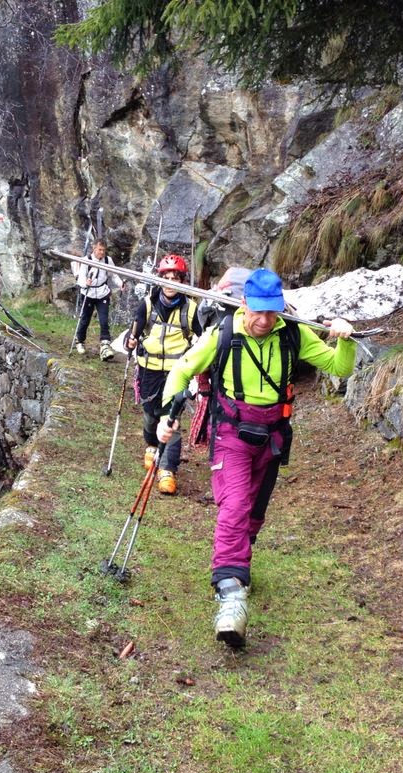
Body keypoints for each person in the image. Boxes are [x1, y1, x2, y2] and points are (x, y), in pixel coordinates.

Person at [157, 268, 356, 648]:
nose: (264, 320)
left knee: (254, 513)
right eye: (258, 311)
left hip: (273, 436)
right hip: (231, 432)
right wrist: (168, 415)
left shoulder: (294, 333)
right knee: (234, 504)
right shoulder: (224, 333)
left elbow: (339, 367)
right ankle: (230, 593)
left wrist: (344, 339)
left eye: (272, 312)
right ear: (244, 304)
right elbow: (182, 369)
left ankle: (238, 553)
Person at [125, 254, 203, 495]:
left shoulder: (191, 309)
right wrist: (131, 340)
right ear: (160, 280)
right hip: (149, 370)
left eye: (175, 278)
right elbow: (135, 329)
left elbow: (203, 338)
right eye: (166, 278)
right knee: (150, 415)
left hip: (176, 373)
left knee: (171, 420)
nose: (170, 283)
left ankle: (168, 470)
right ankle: (151, 445)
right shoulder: (147, 304)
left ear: (182, 281)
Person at [71, 239, 121, 360]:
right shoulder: (86, 261)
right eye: (100, 250)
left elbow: (113, 274)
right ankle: (80, 341)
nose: (102, 253)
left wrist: (120, 283)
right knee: (85, 319)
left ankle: (105, 345)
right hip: (88, 293)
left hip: (102, 292)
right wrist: (85, 282)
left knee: (104, 319)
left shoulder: (108, 260)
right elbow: (80, 279)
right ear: (94, 249)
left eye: (104, 250)